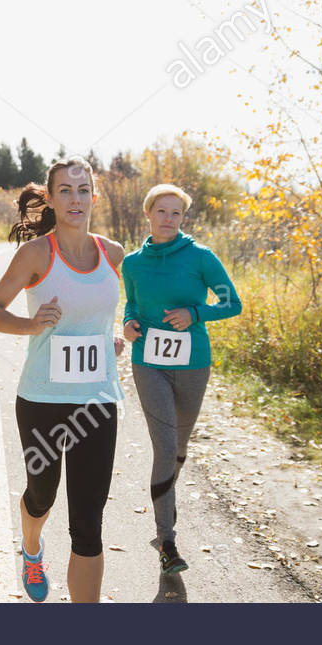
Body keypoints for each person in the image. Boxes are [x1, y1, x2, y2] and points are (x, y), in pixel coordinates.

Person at [0, 158, 125, 603]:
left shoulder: (115, 254)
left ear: (94, 198)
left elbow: (121, 313)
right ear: (53, 198)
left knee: (88, 523)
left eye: (83, 190)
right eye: (65, 190)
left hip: (97, 401)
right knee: (41, 496)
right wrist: (32, 325)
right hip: (42, 399)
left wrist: (117, 335)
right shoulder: (36, 254)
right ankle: (31, 548)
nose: (75, 198)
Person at [120, 183, 242, 575]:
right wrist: (129, 323)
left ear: (183, 219)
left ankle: (165, 499)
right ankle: (167, 539)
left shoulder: (202, 258)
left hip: (193, 364)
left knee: (180, 448)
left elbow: (231, 303)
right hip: (148, 362)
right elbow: (133, 303)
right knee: (165, 446)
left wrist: (196, 313)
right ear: (148, 213)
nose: (168, 219)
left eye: (176, 213)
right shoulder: (133, 263)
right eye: (162, 211)